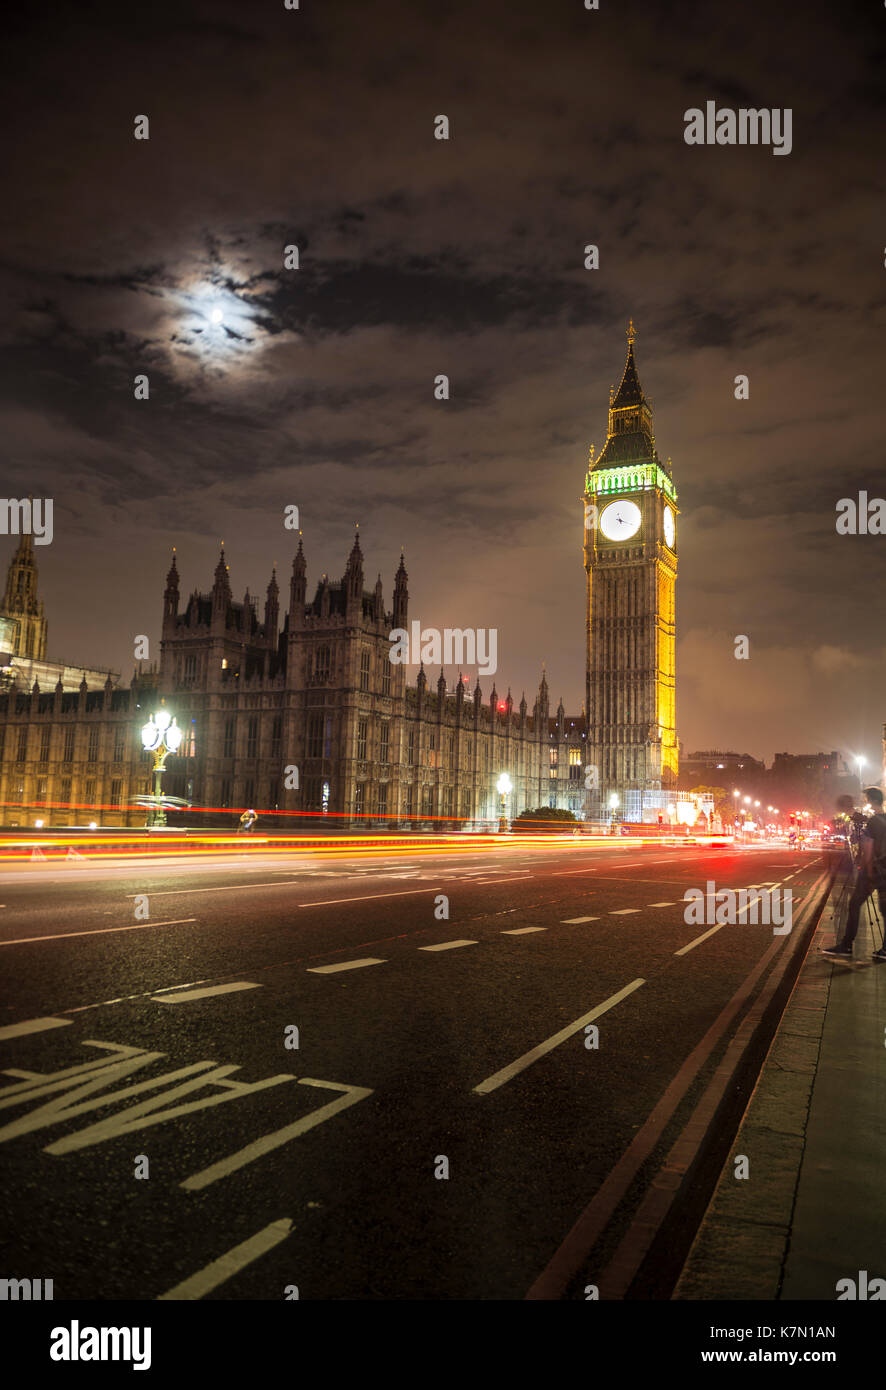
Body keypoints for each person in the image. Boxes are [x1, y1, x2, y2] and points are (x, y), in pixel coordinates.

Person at [823, 787, 886, 960]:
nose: (863, 801)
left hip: (874, 871)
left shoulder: (873, 822)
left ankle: (846, 945)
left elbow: (868, 848)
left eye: (865, 799)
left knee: (854, 904)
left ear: (871, 800)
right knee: (885, 909)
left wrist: (865, 869)